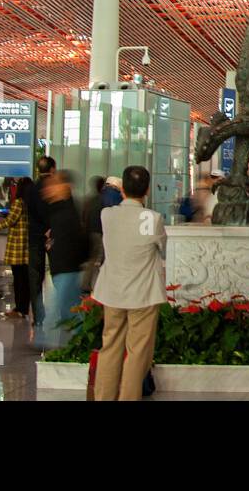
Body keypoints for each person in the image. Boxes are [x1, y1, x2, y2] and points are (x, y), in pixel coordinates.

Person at [93, 165, 167, 401]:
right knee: (137, 354)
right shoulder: (153, 219)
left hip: (113, 292)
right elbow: (162, 248)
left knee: (110, 348)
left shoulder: (107, 215)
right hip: (143, 295)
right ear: (146, 190)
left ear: (122, 189)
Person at [40, 172, 86, 349]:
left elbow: (72, 239)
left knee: (60, 309)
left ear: (65, 187)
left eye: (53, 184)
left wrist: (52, 242)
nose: (48, 189)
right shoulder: (61, 209)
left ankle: (46, 341)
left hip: (67, 267)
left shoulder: (67, 211)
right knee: (70, 309)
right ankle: (80, 342)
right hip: (63, 267)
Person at [0, 178, 31, 319]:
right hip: (25, 245)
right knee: (24, 279)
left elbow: (10, 221)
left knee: (18, 279)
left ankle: (19, 309)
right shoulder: (30, 203)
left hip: (17, 246)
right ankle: (23, 308)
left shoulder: (19, 203)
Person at [24, 155, 58, 328]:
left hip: (35, 237)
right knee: (59, 273)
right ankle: (62, 313)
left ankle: (38, 315)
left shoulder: (30, 189)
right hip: (52, 236)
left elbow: (29, 213)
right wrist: (50, 230)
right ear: (52, 169)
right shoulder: (54, 188)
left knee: (35, 277)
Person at [81, 177, 105, 293]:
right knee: (99, 260)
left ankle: (87, 284)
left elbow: (84, 216)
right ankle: (92, 285)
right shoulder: (103, 201)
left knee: (93, 260)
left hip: (90, 232)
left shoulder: (89, 200)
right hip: (99, 232)